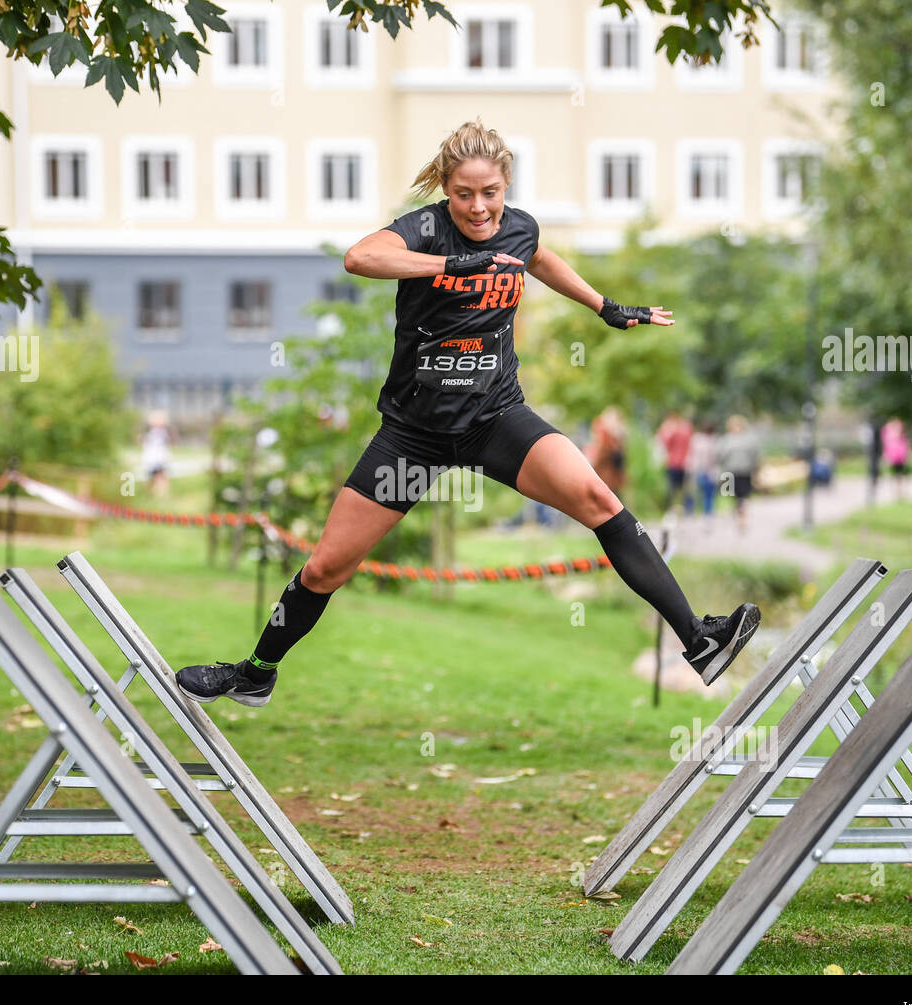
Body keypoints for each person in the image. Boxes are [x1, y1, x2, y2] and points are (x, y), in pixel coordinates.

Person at [176, 120, 761, 706]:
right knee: (327, 568)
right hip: (414, 436)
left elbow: (538, 257)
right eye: (464, 194)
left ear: (505, 187)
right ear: (446, 188)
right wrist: (450, 268)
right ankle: (255, 673)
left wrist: (604, 306)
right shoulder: (424, 229)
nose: (478, 208)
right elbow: (360, 257)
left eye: (490, 194)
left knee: (600, 501)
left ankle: (699, 641)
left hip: (495, 420)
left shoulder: (518, 228)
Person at [717, 414, 759, 535]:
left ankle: (742, 519)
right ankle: (736, 518)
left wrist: (755, 470)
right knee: (731, 497)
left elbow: (755, 456)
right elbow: (720, 456)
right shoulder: (726, 440)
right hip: (729, 473)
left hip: (744, 472)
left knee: (743, 498)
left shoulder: (748, 440)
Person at [584, 406, 627, 496]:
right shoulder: (610, 438)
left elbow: (602, 456)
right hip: (607, 478)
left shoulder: (611, 438)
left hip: (608, 478)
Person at [656, 410, 692, 514]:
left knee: (678, 488)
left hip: (678, 463)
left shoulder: (678, 430)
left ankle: (680, 508)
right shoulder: (684, 429)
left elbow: (663, 443)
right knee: (677, 488)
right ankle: (678, 509)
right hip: (677, 463)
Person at [687, 419, 719, 524]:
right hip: (706, 470)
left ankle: (694, 512)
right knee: (707, 493)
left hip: (698, 469)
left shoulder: (697, 439)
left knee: (698, 492)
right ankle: (706, 513)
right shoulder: (714, 441)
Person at [140, 410, 175, 498]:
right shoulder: (151, 433)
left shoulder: (163, 432)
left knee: (162, 476)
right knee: (151, 477)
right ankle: (150, 494)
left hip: (160, 457)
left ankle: (162, 494)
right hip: (153, 458)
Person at [881, 416, 910, 501]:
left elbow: (906, 447)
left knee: (901, 475)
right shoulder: (889, 436)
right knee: (895, 475)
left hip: (901, 458)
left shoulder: (902, 436)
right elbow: (886, 446)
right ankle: (896, 492)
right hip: (894, 458)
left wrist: (907, 456)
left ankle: (900, 491)